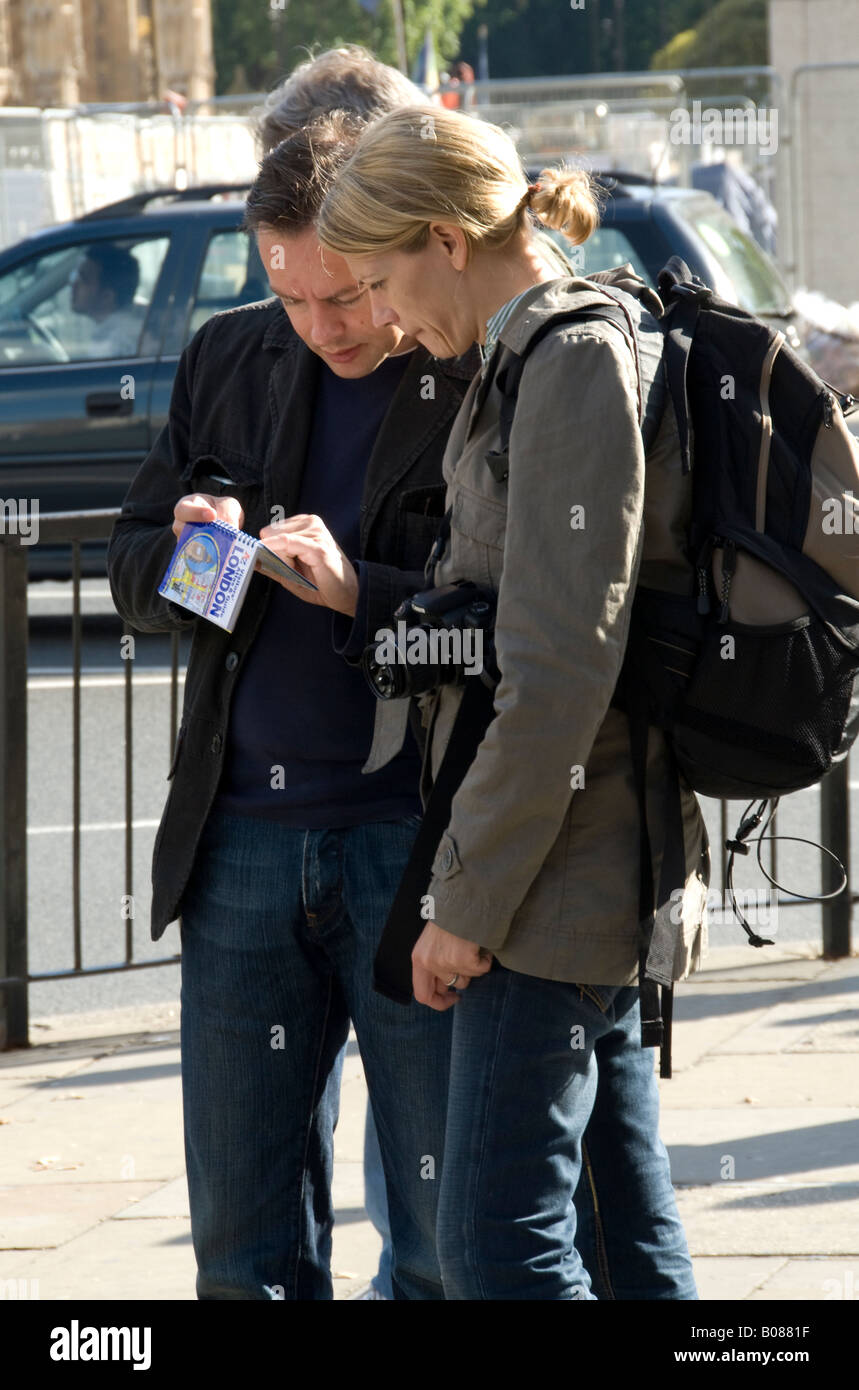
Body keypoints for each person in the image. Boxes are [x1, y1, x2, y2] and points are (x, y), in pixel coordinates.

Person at [316, 104, 710, 1300]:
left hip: (556, 881)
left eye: (379, 281)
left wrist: (466, 906)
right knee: (620, 1230)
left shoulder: (572, 357)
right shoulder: (533, 351)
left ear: (445, 236)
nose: (378, 319)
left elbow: (556, 671)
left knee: (499, 1246)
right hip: (570, 862)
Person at [107, 54, 482, 1300]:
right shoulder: (229, 352)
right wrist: (191, 557)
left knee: (441, 1237)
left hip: (408, 836)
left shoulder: (457, 362)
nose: (322, 325)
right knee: (245, 1245)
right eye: (291, 297)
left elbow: (508, 610)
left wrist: (360, 594)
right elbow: (132, 570)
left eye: (342, 295)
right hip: (244, 847)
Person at [70, 244, 144, 358]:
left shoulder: (116, 344)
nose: (74, 284)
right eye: (76, 276)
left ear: (107, 297)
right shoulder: (120, 331)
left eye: (83, 279)